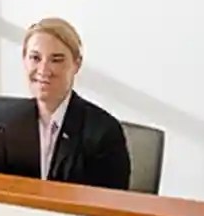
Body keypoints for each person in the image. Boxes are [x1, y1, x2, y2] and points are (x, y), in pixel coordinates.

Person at [22, 17, 131, 190]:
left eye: (56, 60)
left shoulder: (103, 132)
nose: (43, 70)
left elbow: (109, 207)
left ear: (76, 65)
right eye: (35, 58)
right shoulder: (10, 123)